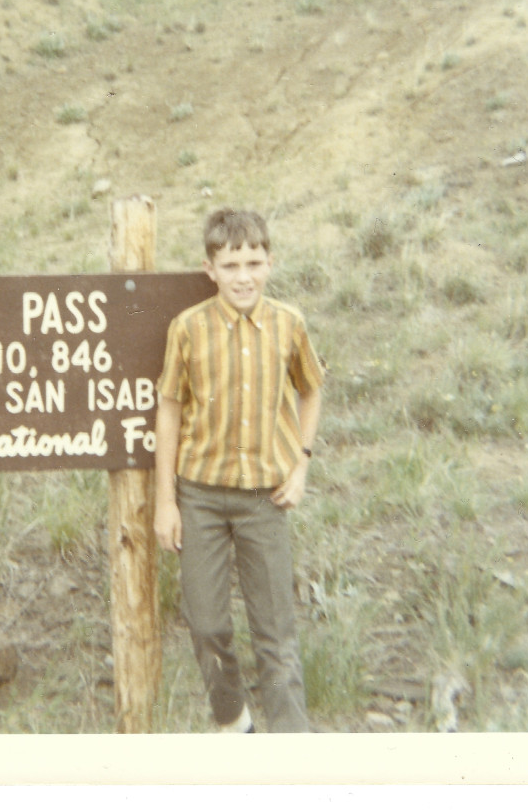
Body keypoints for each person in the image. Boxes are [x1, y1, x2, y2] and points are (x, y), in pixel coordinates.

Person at [154, 208, 324, 733]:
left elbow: (311, 388)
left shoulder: (288, 324)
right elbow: (169, 408)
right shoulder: (188, 329)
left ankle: (292, 746)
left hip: (264, 498)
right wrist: (166, 501)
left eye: (253, 262)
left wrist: (301, 463)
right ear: (210, 269)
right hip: (200, 495)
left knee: (275, 631)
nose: (243, 276)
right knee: (206, 623)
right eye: (230, 265)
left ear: (270, 263)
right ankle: (233, 719)